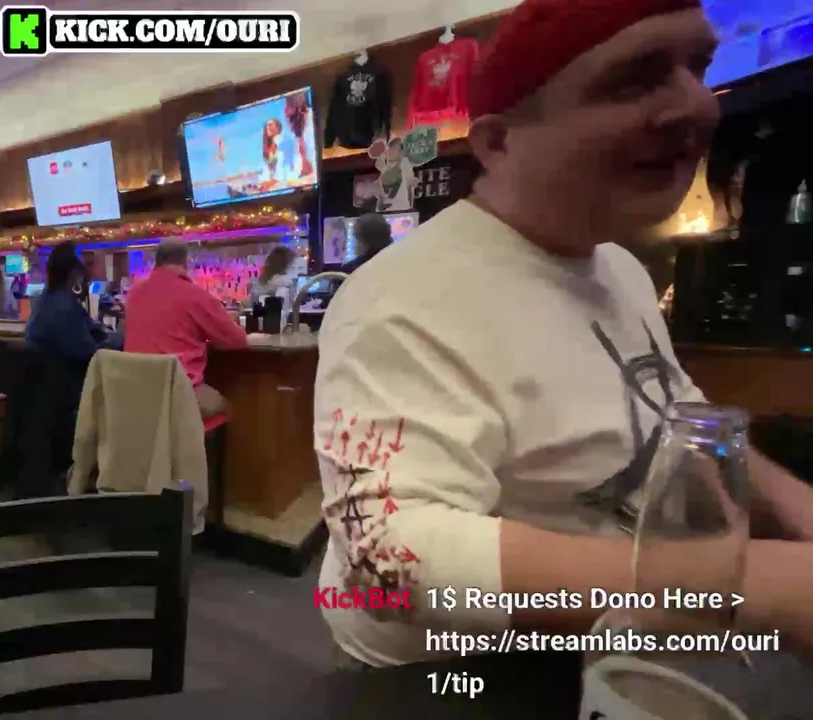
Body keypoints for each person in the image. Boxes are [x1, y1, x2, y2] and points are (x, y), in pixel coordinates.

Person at [314, 0, 813, 670]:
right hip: (446, 677)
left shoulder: (620, 269)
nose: (698, 105)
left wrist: (799, 510)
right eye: (633, 79)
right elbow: (385, 560)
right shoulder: (398, 296)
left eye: (698, 66)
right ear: (498, 143)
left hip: (608, 646)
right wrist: (746, 583)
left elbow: (678, 418)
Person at [125, 239, 249, 417]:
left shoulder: (133, 293)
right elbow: (237, 341)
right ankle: (198, 436)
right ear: (185, 262)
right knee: (228, 408)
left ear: (157, 261)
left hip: (137, 392)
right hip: (179, 393)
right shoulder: (195, 294)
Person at [24, 242, 110, 368]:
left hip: (42, 376)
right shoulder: (67, 308)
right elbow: (90, 354)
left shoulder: (42, 302)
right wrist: (116, 341)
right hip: (67, 377)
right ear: (74, 273)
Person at [249, 245, 296, 314]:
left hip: (259, 317)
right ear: (286, 264)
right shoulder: (286, 283)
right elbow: (292, 305)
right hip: (281, 317)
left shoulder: (259, 280)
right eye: (291, 263)